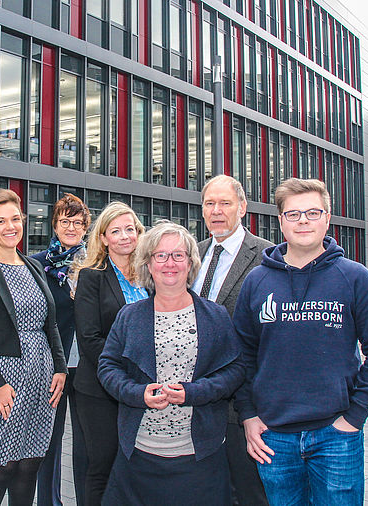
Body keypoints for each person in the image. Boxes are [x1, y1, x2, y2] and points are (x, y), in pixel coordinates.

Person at [233, 178, 368, 506]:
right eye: (293, 214)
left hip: (336, 435)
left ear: (327, 217)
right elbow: (242, 354)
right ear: (280, 222)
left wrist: (354, 416)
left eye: (312, 212)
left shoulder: (354, 278)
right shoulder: (257, 281)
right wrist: (249, 415)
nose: (303, 221)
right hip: (273, 436)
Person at [98, 222, 244, 506]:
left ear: (190, 263)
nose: (170, 263)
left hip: (199, 459)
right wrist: (137, 393)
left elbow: (235, 370)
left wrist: (194, 392)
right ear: (148, 264)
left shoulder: (216, 316)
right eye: (160, 256)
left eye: (178, 255)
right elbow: (108, 367)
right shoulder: (129, 317)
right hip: (139, 457)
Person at [0, 189, 68, 506]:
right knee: (0, 466)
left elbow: (50, 323)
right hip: (1, 378)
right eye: (1, 220)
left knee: (29, 463)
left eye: (15, 219)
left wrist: (60, 368)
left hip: (40, 378)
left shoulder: (32, 267)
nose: (10, 226)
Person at [192, 174, 272, 506]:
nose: (216, 211)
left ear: (242, 207)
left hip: (244, 404)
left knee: (249, 493)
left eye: (225, 203)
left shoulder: (267, 256)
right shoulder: (193, 253)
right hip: (196, 400)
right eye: (209, 203)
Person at [72, 201, 147, 505]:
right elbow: (89, 340)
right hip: (100, 390)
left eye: (130, 229)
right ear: (103, 238)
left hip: (143, 388)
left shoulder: (150, 275)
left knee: (136, 465)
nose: (125, 236)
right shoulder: (92, 276)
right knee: (102, 465)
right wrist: (130, 369)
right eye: (115, 231)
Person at [30, 194, 90, 506]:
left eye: (77, 222)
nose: (70, 227)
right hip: (53, 364)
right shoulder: (37, 264)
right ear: (55, 225)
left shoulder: (95, 263)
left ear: (85, 227)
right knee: (49, 441)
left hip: (87, 365)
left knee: (85, 442)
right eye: (64, 221)